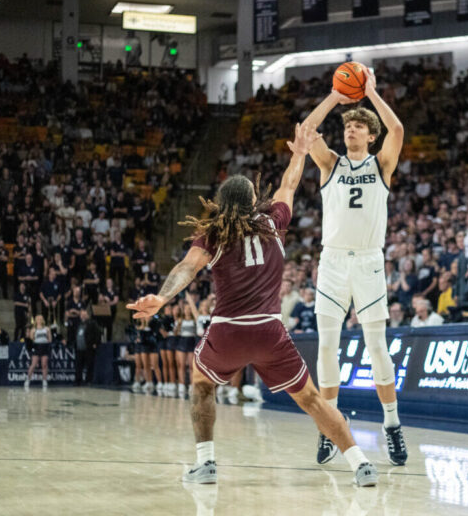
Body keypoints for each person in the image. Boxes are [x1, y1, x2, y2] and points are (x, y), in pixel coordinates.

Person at [126, 122, 379, 486]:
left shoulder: (213, 234)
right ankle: (360, 465)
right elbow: (289, 185)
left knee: (201, 384)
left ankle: (207, 463)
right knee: (311, 399)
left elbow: (186, 268)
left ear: (222, 204)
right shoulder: (274, 222)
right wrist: (299, 153)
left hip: (228, 331)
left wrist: (162, 298)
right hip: (269, 331)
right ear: (254, 199)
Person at [301, 66, 408, 467]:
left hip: (367, 263)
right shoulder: (330, 165)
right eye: (348, 127)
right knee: (328, 347)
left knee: (376, 346)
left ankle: (392, 424)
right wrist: (335, 97)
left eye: (358, 127)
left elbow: (397, 131)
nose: (350, 131)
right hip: (332, 262)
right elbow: (306, 132)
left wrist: (371, 94)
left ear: (370, 135)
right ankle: (331, 427)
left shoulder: (381, 166)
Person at [69, 309, 100, 386]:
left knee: (89, 365)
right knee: (78, 365)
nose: (83, 316)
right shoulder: (78, 324)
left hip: (88, 348)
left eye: (84, 315)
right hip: (79, 349)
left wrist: (96, 343)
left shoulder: (92, 323)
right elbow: (73, 334)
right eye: (81, 315)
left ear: (87, 315)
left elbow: (98, 334)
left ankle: (88, 380)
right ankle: (78, 380)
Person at [131, 317, 160, 395]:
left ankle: (151, 381)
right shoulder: (137, 327)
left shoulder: (152, 326)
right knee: (139, 366)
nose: (143, 318)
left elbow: (154, 336)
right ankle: (139, 381)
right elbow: (133, 337)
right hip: (139, 347)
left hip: (148, 346)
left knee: (149, 365)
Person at [25, 314, 52, 390]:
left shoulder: (47, 329)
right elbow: (31, 339)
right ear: (36, 321)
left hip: (44, 346)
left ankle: (44, 381)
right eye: (38, 319)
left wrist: (46, 342)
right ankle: (28, 379)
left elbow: (50, 339)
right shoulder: (33, 329)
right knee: (33, 364)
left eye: (41, 319)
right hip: (37, 347)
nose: (39, 320)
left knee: (44, 364)